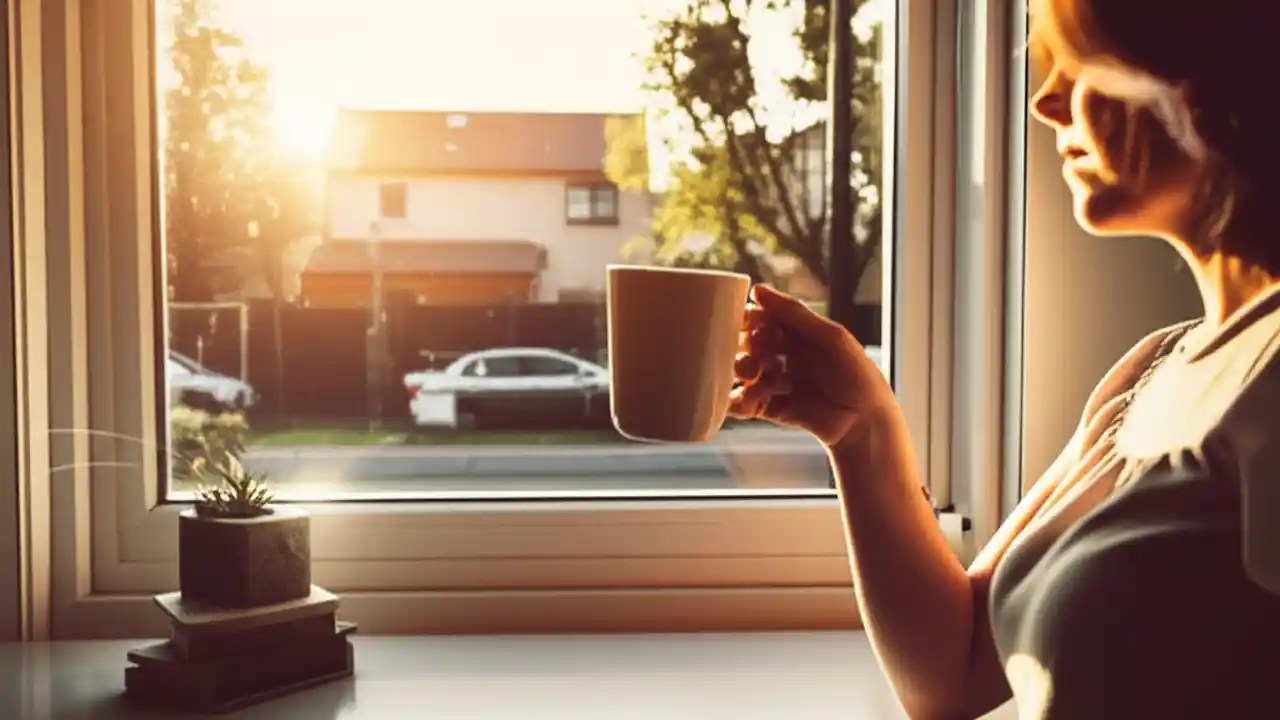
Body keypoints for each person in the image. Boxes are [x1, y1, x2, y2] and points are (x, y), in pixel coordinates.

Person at [730, 1, 1280, 717]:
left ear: (1205, 77)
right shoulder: (1153, 370)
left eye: (1080, 62)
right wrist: (862, 431)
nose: (1045, 102)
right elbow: (951, 673)